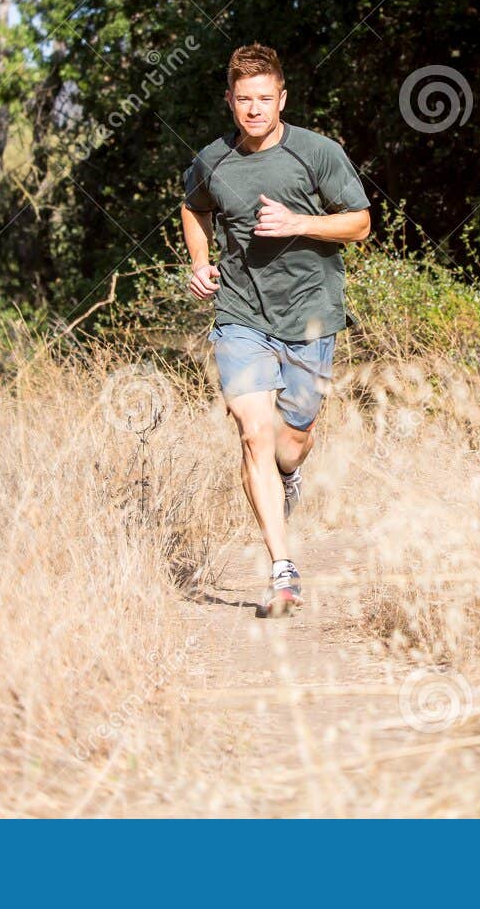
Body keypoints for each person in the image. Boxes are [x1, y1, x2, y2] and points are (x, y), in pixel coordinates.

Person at [181, 43, 373, 617]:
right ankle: (282, 571)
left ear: (282, 98)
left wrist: (300, 223)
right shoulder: (212, 159)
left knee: (292, 441)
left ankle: (289, 474)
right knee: (253, 434)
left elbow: (360, 223)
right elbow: (195, 208)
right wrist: (199, 260)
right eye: (245, 100)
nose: (255, 109)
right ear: (230, 101)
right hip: (241, 315)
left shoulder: (317, 152)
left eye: (265, 98)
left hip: (311, 314)